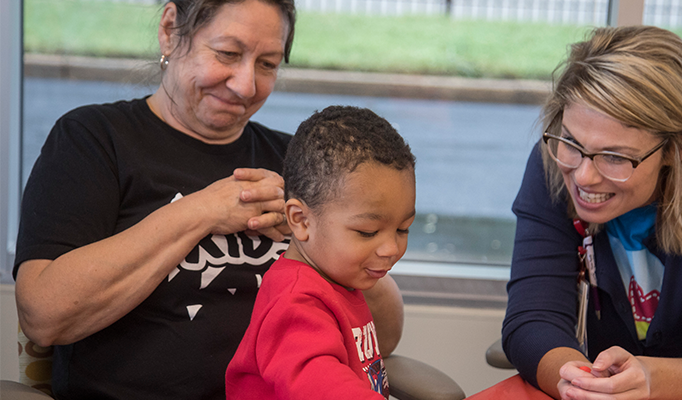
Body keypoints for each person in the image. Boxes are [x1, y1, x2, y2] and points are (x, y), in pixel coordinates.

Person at [13, 1, 403, 399]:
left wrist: (320, 236)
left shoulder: (298, 163)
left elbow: (381, 338)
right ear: (170, 30)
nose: (246, 85)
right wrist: (203, 211)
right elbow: (43, 315)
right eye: (227, 54)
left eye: (267, 64)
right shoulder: (93, 140)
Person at [498, 26, 682, 400]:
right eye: (571, 141)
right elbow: (532, 321)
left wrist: (649, 380)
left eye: (615, 156)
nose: (583, 176)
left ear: (678, 147)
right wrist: (578, 381)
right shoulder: (556, 163)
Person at [226, 105, 416, 399]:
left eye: (403, 228)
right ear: (301, 221)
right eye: (367, 232)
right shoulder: (294, 304)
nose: (392, 249)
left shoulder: (339, 279)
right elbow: (325, 387)